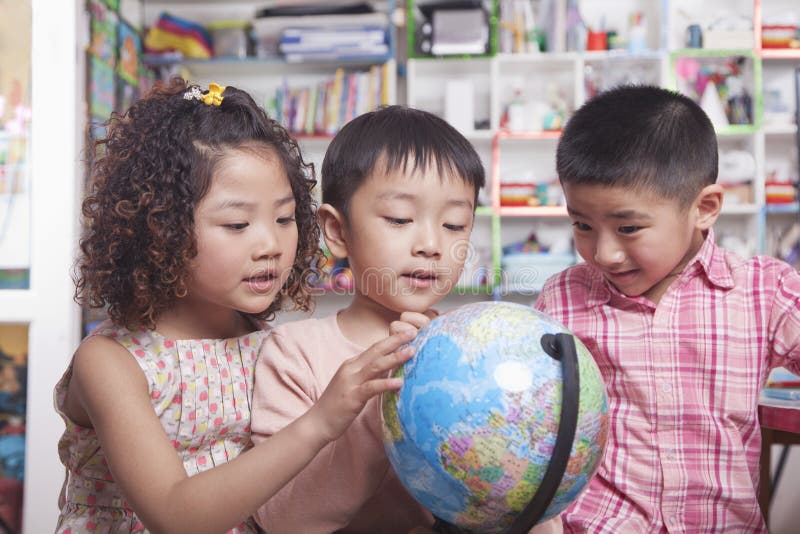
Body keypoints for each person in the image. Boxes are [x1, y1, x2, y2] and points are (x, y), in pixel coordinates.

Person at [55, 79, 418, 534]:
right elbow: (175, 516)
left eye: (285, 218)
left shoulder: (269, 344)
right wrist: (320, 422)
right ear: (160, 228)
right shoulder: (110, 362)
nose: (270, 243)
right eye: (237, 223)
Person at [251, 106, 563, 534]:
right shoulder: (293, 353)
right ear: (337, 231)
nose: (432, 244)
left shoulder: (475, 349)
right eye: (400, 219)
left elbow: (522, 493)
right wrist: (380, 417)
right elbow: (282, 520)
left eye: (455, 224)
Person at [534, 84, 800, 532]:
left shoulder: (764, 292)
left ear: (705, 207)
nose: (604, 253)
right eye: (582, 224)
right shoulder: (562, 298)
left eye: (629, 227)